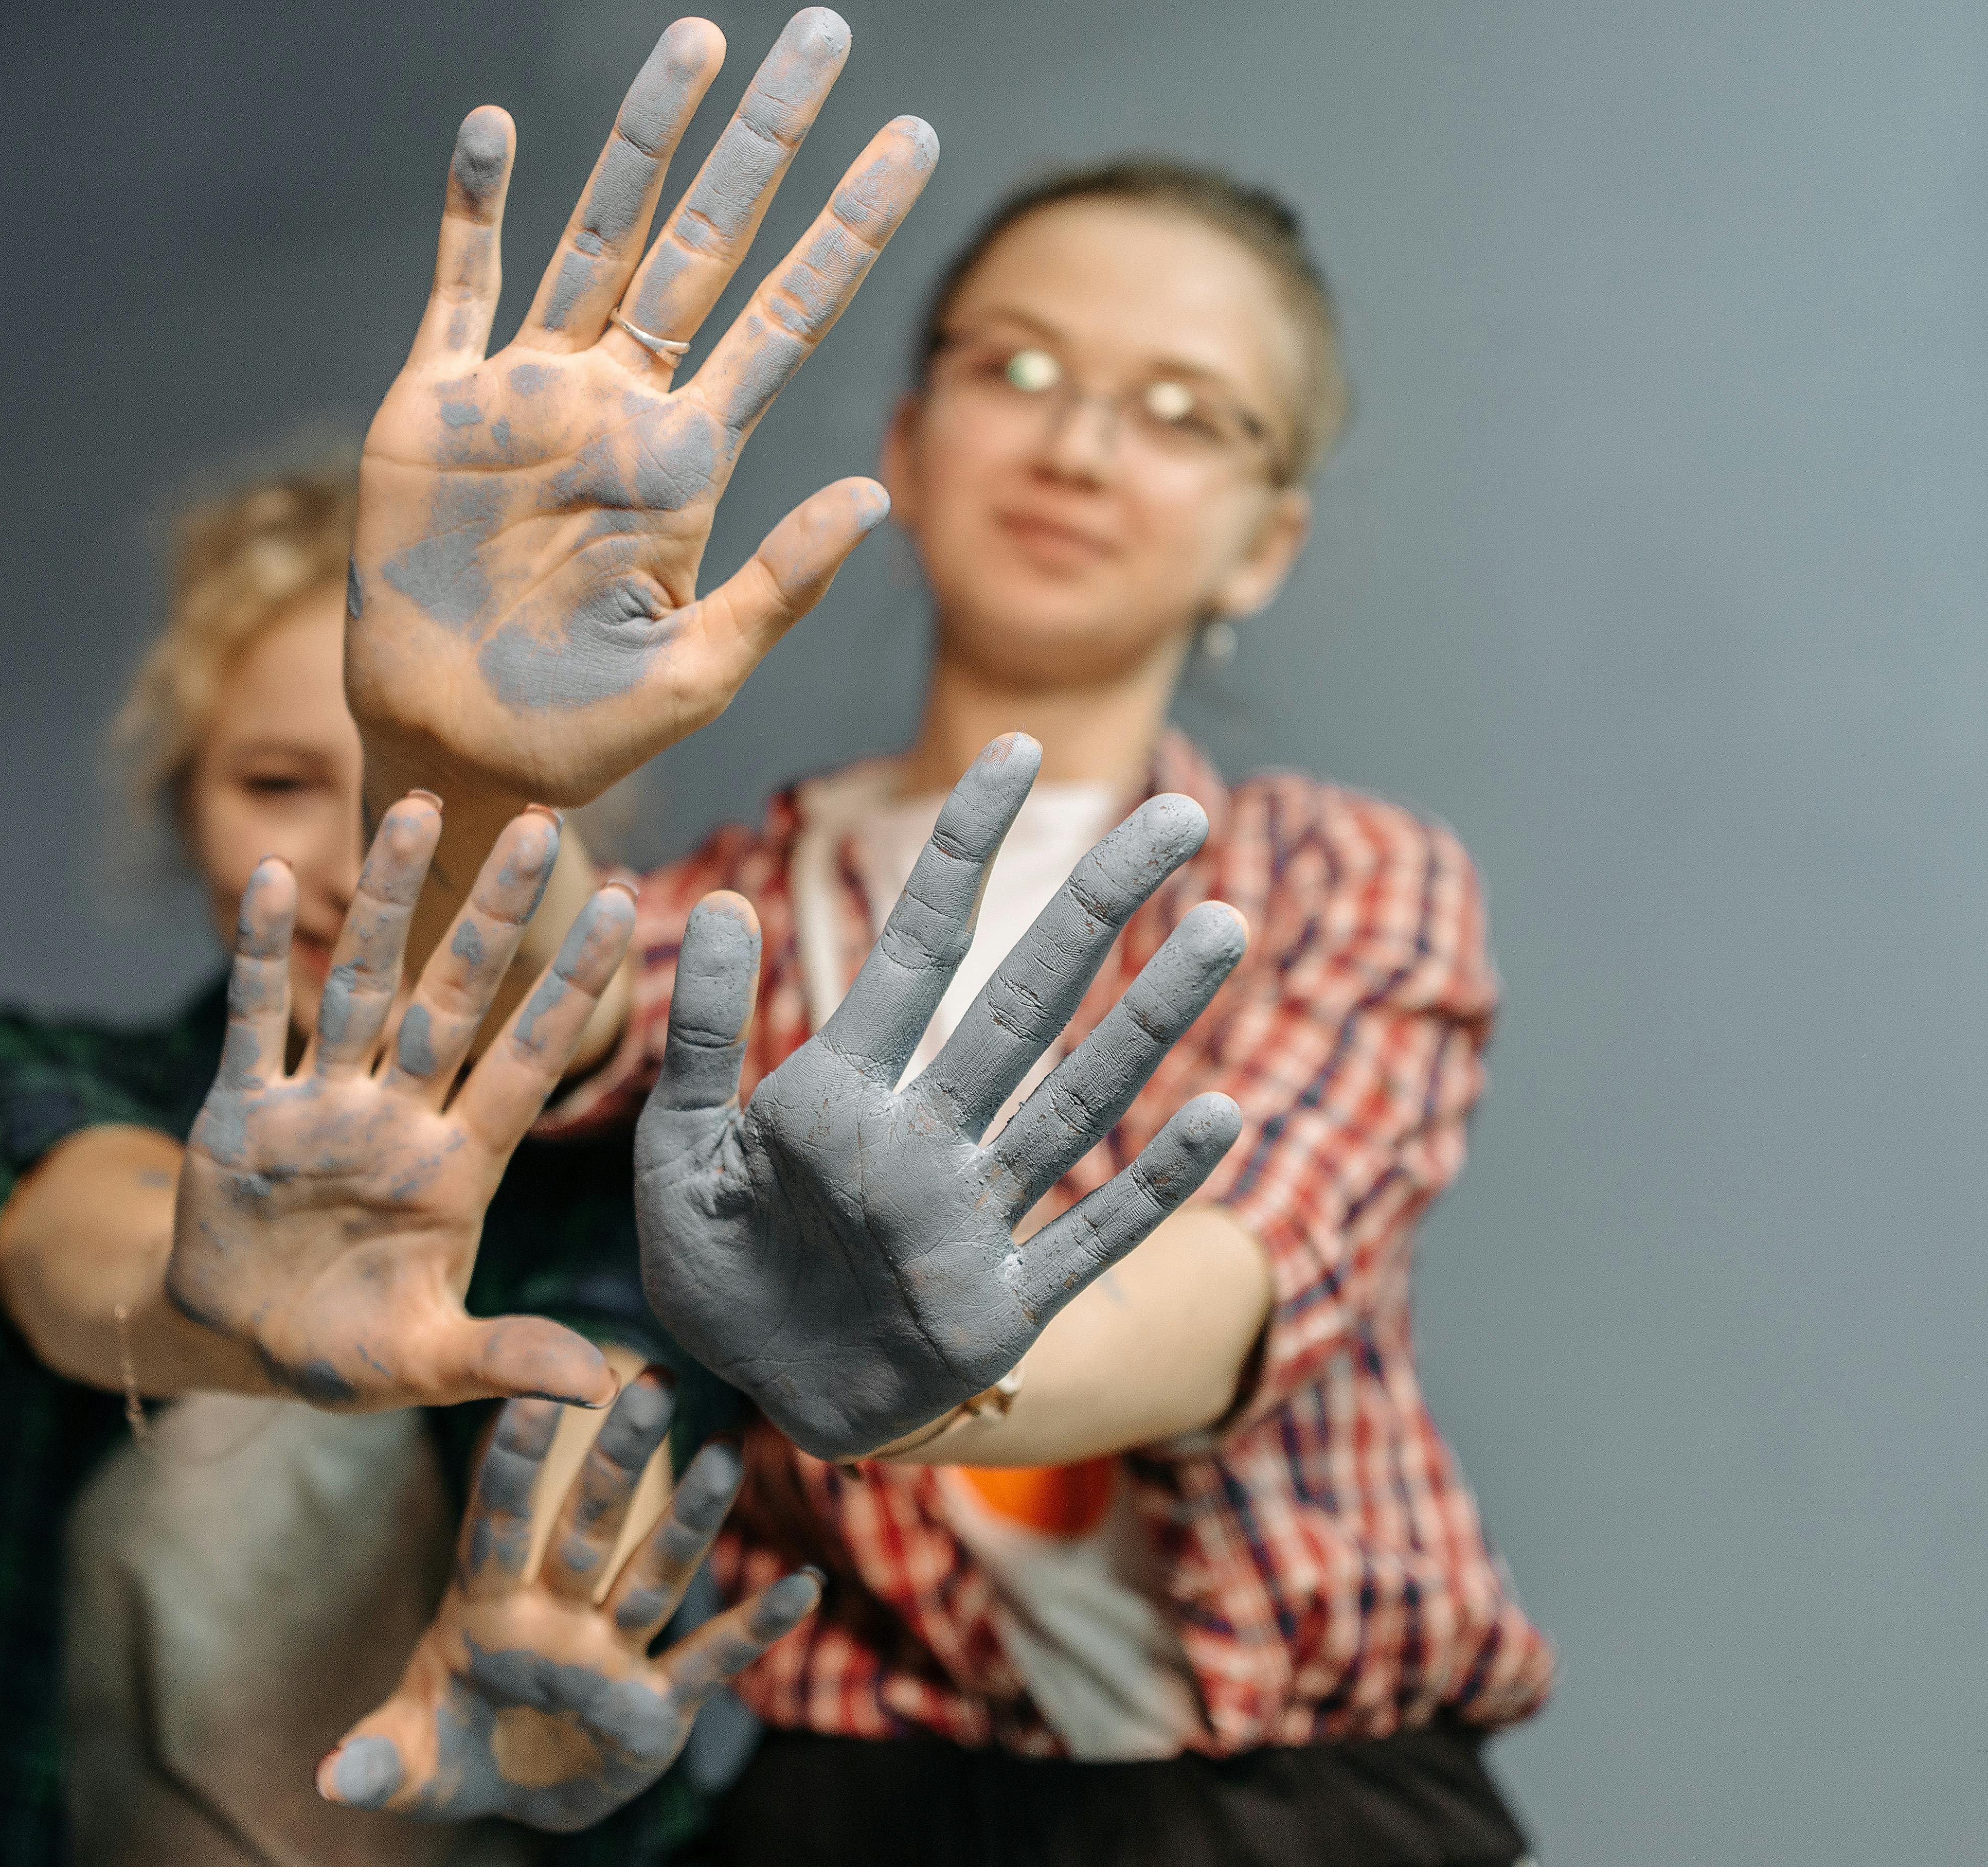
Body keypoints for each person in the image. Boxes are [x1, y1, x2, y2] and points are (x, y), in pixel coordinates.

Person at [336, 11, 1554, 1861]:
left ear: (1262, 543)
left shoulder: (1350, 878)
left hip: (1313, 1809)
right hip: (865, 1809)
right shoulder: (738, 897)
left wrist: (939, 1371)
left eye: (1183, 411)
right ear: (909, 432)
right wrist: (459, 755)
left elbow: (1242, 1277)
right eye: (1019, 365)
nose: (1078, 442)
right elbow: (526, 1004)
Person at [0, 469, 805, 1867]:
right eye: (276, 783)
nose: (359, 860)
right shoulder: (17, 1076)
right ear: (182, 801)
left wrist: (546, 1626)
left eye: (429, 795)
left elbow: (602, 1391)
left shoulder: (644, 1168)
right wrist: (227, 1295)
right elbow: (73, 1242)